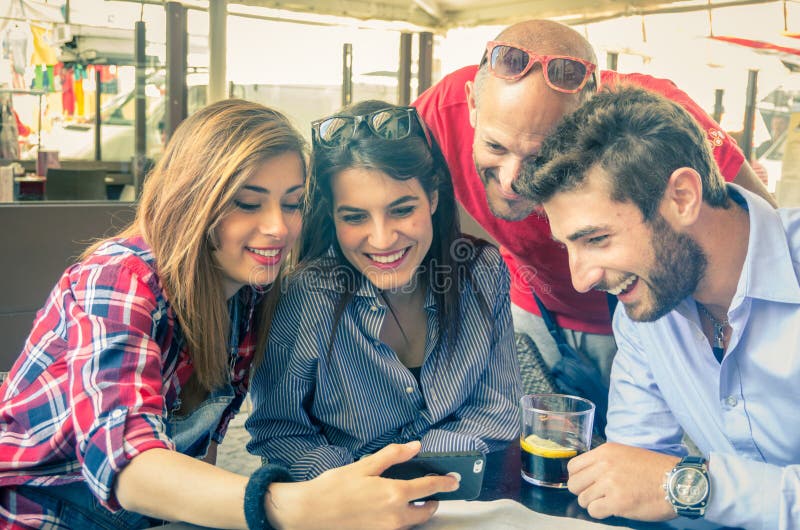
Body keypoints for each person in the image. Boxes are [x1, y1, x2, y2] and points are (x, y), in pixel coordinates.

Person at [0, 99, 457, 530]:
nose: (279, 227)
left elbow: (203, 452)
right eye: (247, 202)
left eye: (293, 203)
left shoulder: (252, 293)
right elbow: (127, 463)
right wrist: (293, 504)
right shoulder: (118, 279)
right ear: (192, 198)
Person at [413, 19, 777, 414]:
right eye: (494, 146)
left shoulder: (647, 117)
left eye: (539, 158)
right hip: (532, 305)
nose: (512, 180)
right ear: (471, 105)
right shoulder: (442, 108)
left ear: (587, 124)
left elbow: (760, 229)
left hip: (649, 311)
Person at [515, 85, 799, 529]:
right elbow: (636, 473)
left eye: (596, 239)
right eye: (569, 245)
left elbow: (665, 483)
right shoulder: (645, 304)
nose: (582, 279)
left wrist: (697, 487)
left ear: (683, 197)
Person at [246, 101, 520, 480]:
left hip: (459, 499)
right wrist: (363, 484)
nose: (382, 239)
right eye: (355, 217)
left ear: (434, 198)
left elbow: (498, 411)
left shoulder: (483, 272)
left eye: (402, 210)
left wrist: (409, 471)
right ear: (333, 217)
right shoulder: (305, 296)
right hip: (347, 510)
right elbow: (281, 432)